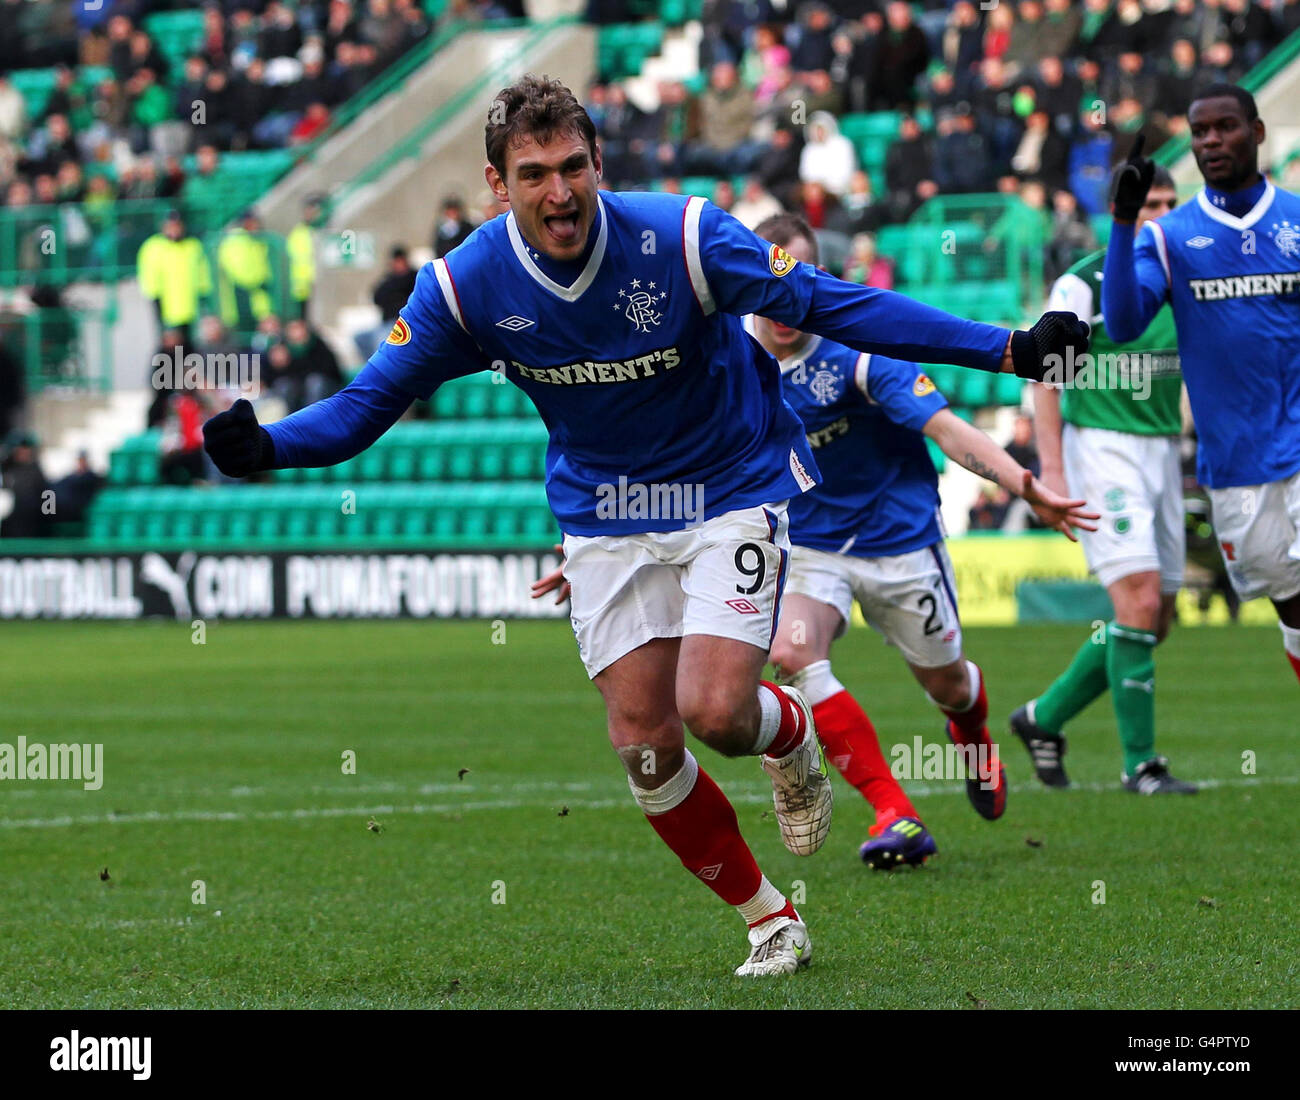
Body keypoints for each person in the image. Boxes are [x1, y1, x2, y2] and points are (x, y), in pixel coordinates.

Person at [202, 75, 1088, 977]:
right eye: (535, 174)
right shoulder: (467, 286)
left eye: (575, 167)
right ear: (497, 184)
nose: (560, 193)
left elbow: (830, 304)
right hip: (606, 514)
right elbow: (365, 406)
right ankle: (768, 918)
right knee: (645, 747)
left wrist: (1007, 347)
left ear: (599, 162)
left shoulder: (685, 237)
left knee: (713, 711)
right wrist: (268, 446)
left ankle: (787, 735)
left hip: (730, 489)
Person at [750, 213, 1094, 867]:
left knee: (947, 686)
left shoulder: (858, 353)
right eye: (767, 285)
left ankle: (971, 731)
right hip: (812, 544)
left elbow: (947, 430)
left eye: (794, 282)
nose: (781, 303)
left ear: (815, 279)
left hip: (899, 538)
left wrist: (1025, 485)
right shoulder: (734, 352)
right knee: (792, 657)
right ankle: (895, 812)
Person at [1102, 85, 1300, 699]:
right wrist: (1121, 224)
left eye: (1226, 127)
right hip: (1237, 466)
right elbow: (1125, 322)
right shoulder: (1170, 237)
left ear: (1258, 133)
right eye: (1200, 131)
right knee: (1293, 615)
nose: (1212, 140)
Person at [1015, 163, 1195, 794]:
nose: (1161, 213)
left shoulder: (1186, 278)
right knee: (1139, 601)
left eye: (1172, 202)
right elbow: (1044, 371)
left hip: (1162, 451)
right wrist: (1053, 470)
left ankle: (1044, 718)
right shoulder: (1085, 280)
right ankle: (1141, 766)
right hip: (1101, 447)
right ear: (1124, 210)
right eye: (1150, 202)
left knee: (1157, 616)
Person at [136, 210, 212, 346]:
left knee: (190, 354)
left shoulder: (193, 246)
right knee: (168, 354)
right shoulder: (153, 247)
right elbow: (150, 284)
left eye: (177, 225)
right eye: (170, 225)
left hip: (191, 312)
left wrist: (205, 309)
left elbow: (203, 279)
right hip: (167, 313)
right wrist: (163, 321)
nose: (174, 229)